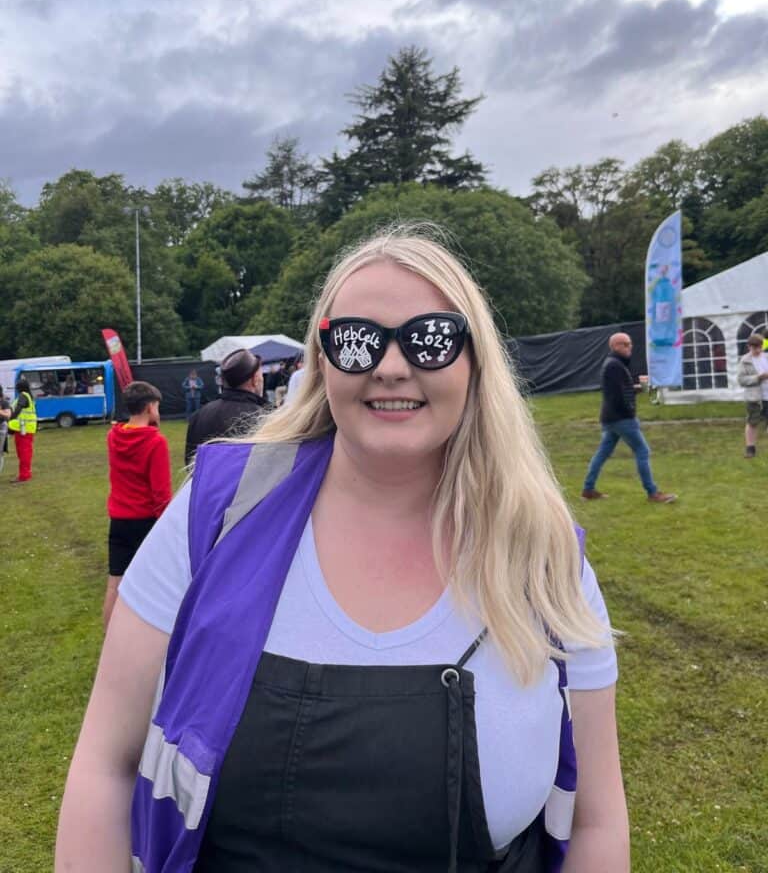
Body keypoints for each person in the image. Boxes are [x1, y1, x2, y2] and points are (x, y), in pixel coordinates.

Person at [57, 228, 629, 873]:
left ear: (476, 362)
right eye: (357, 340)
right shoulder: (217, 510)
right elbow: (107, 761)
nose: (390, 365)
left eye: (429, 338)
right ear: (321, 359)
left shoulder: (543, 555)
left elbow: (597, 818)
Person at [102, 381, 172, 629]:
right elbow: (161, 494)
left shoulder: (114, 436)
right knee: (155, 584)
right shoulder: (156, 443)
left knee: (115, 583)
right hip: (146, 522)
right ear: (150, 408)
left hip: (119, 521)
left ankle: (109, 637)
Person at [582, 332, 676, 503]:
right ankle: (652, 493)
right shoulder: (614, 366)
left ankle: (588, 489)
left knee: (602, 453)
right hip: (621, 418)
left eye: (630, 343)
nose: (629, 347)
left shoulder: (614, 364)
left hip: (610, 418)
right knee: (642, 451)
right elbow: (619, 395)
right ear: (615, 346)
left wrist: (638, 388)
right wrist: (630, 411)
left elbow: (621, 389)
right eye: (625, 344)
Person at [184, 349, 266, 465]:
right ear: (254, 380)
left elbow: (191, 465)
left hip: (208, 482)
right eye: (261, 375)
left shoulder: (199, 415)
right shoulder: (263, 418)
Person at [737, 332, 768, 458]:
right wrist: (758, 378)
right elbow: (741, 380)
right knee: (752, 422)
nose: (757, 350)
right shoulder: (745, 361)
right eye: (754, 347)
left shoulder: (766, 357)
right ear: (749, 346)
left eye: (759, 347)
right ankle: (750, 448)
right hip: (755, 397)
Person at [2, 376, 37, 484]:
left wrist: (10, 418)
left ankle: (24, 476)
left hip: (24, 429)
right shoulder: (26, 396)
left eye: (16, 386)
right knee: (23, 452)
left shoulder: (23, 396)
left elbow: (17, 410)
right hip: (23, 429)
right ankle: (25, 473)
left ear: (19, 387)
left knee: (24, 453)